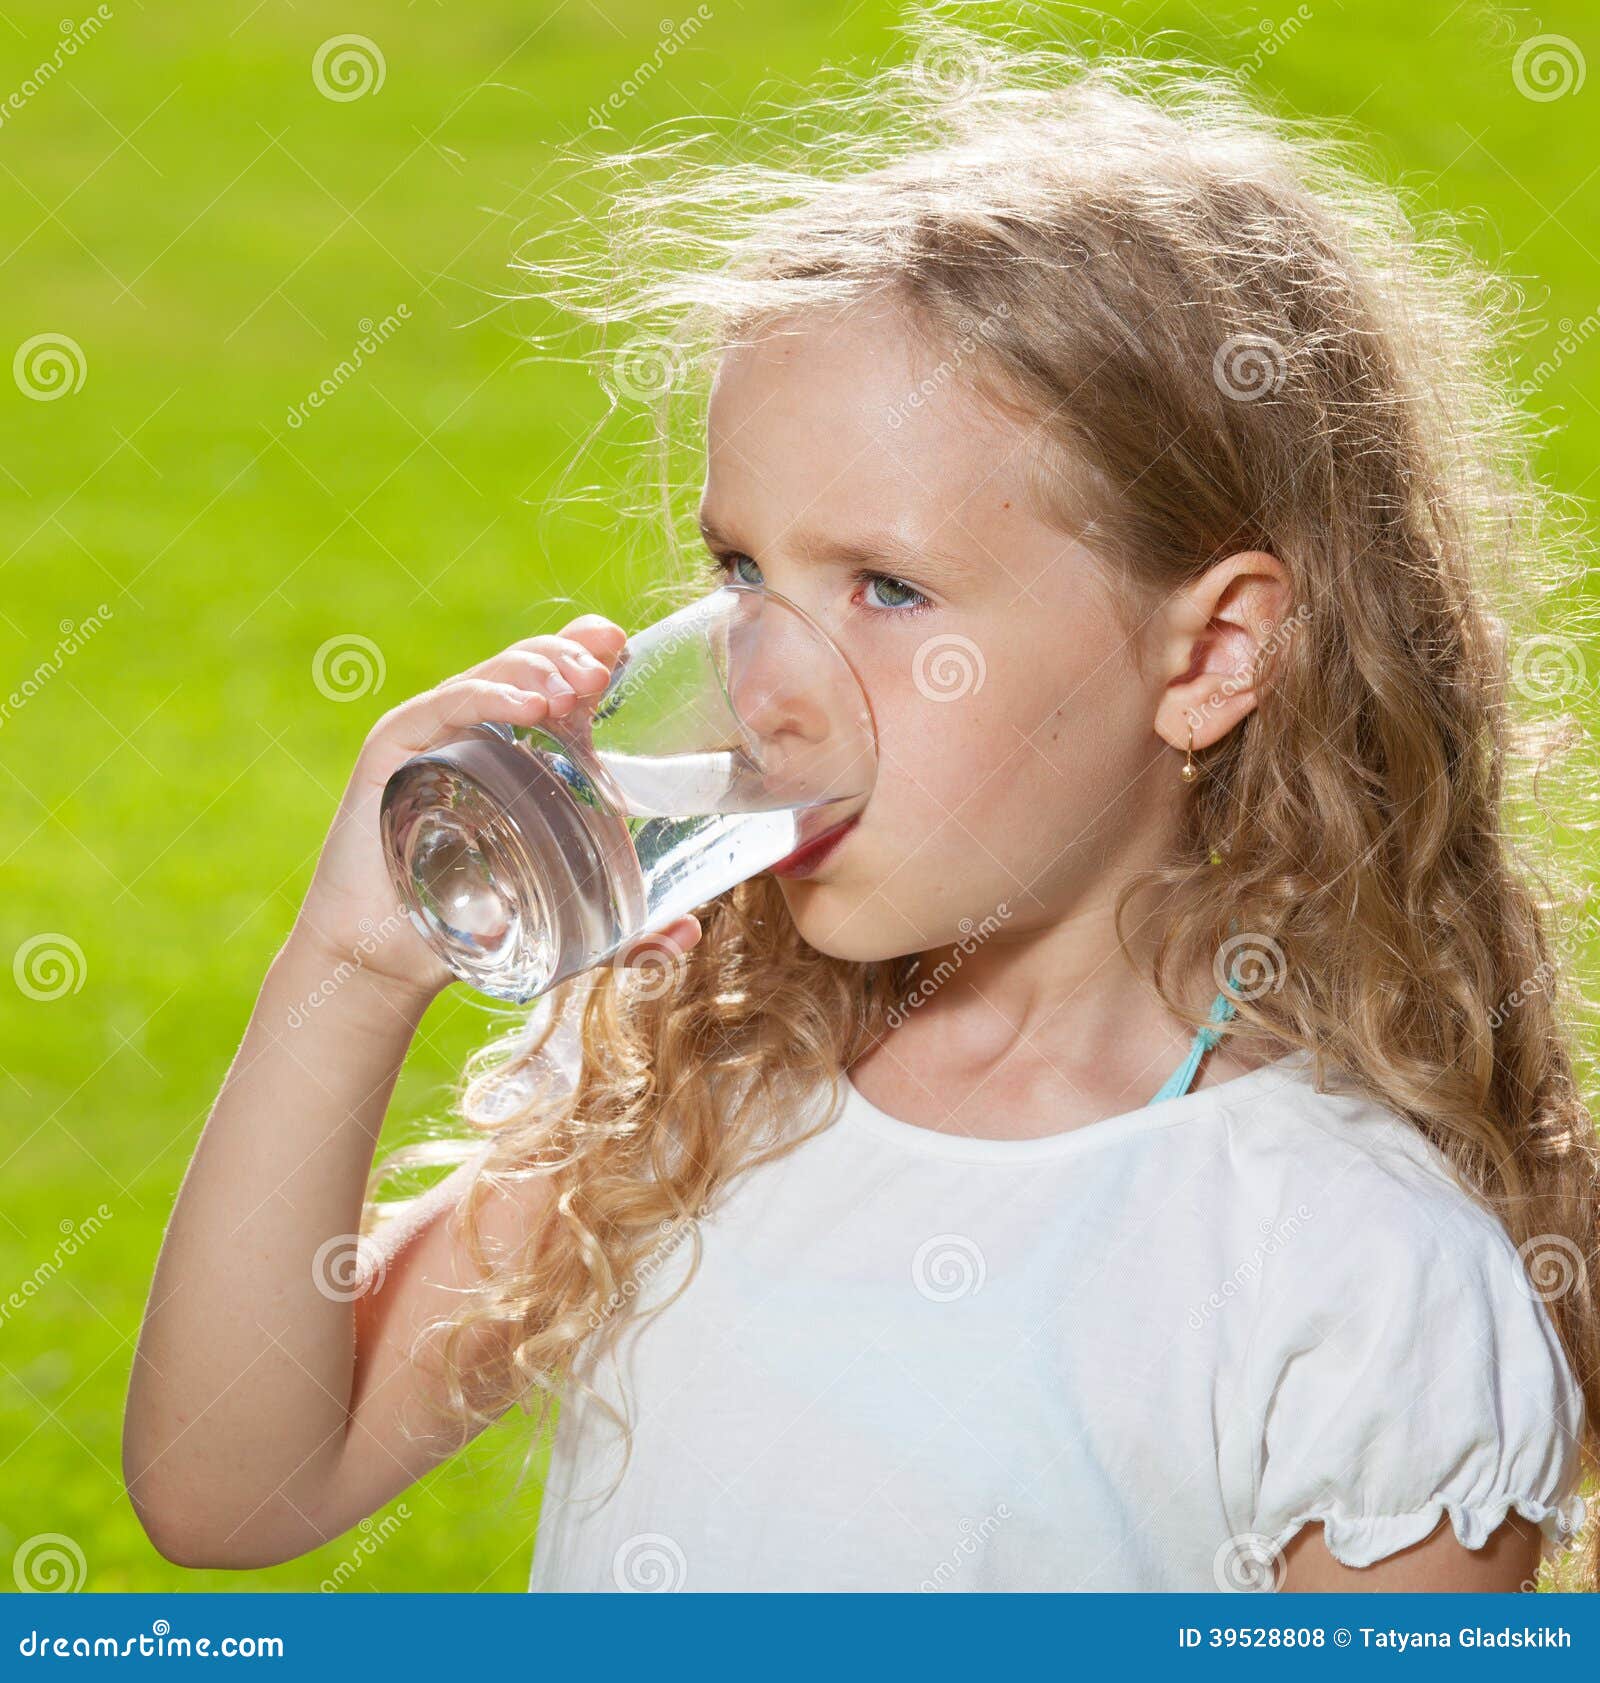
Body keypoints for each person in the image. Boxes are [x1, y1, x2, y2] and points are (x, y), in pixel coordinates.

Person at [124, 9, 1598, 1593]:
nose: (767, 679)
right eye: (742, 569)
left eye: (889, 589)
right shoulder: (704, 1073)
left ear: (1215, 652)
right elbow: (230, 1490)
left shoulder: (1348, 1275)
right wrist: (350, 969)